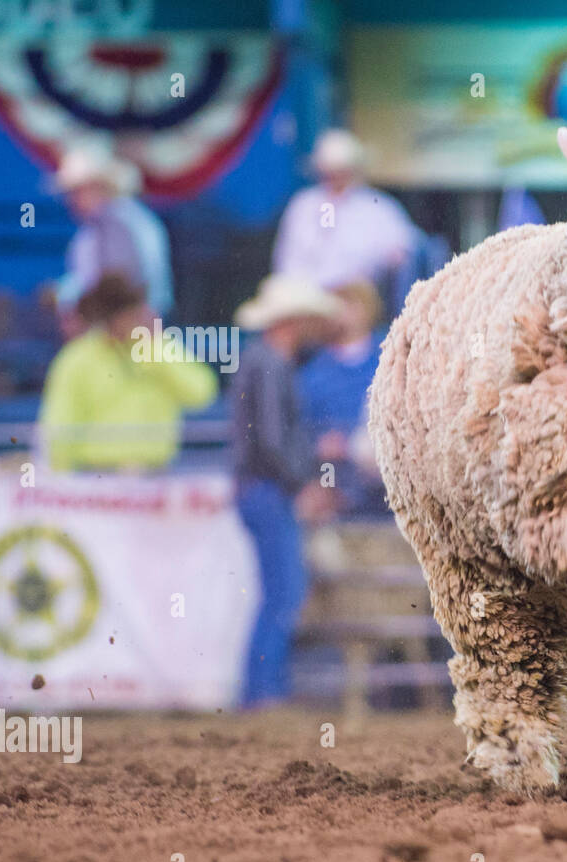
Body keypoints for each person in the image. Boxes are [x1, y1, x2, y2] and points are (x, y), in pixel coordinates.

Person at [231, 274, 343, 707]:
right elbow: (274, 441)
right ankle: (263, 692)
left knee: (279, 590)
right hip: (267, 490)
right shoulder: (271, 365)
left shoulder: (262, 361)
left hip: (260, 488)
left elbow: (270, 438)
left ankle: (262, 690)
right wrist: (304, 483)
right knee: (283, 591)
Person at [38, 274, 216, 472]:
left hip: (155, 474)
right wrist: (59, 480)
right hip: (97, 477)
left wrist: (154, 348)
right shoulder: (77, 359)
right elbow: (59, 425)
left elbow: (202, 394)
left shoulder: (160, 348)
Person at [272, 129, 418, 292]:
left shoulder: (378, 207)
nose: (335, 175)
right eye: (330, 170)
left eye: (341, 169)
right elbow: (286, 257)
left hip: (354, 296)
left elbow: (403, 248)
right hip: (303, 292)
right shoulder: (303, 204)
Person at [54, 146, 173, 325]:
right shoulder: (96, 229)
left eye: (77, 191)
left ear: (99, 187)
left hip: (132, 326)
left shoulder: (124, 224)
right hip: (117, 325)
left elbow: (129, 284)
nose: (70, 200)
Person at [296, 280, 386, 515]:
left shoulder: (390, 358)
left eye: (350, 304)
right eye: (336, 306)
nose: (343, 314)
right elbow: (301, 431)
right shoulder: (313, 372)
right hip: (336, 486)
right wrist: (319, 446)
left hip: (388, 483)